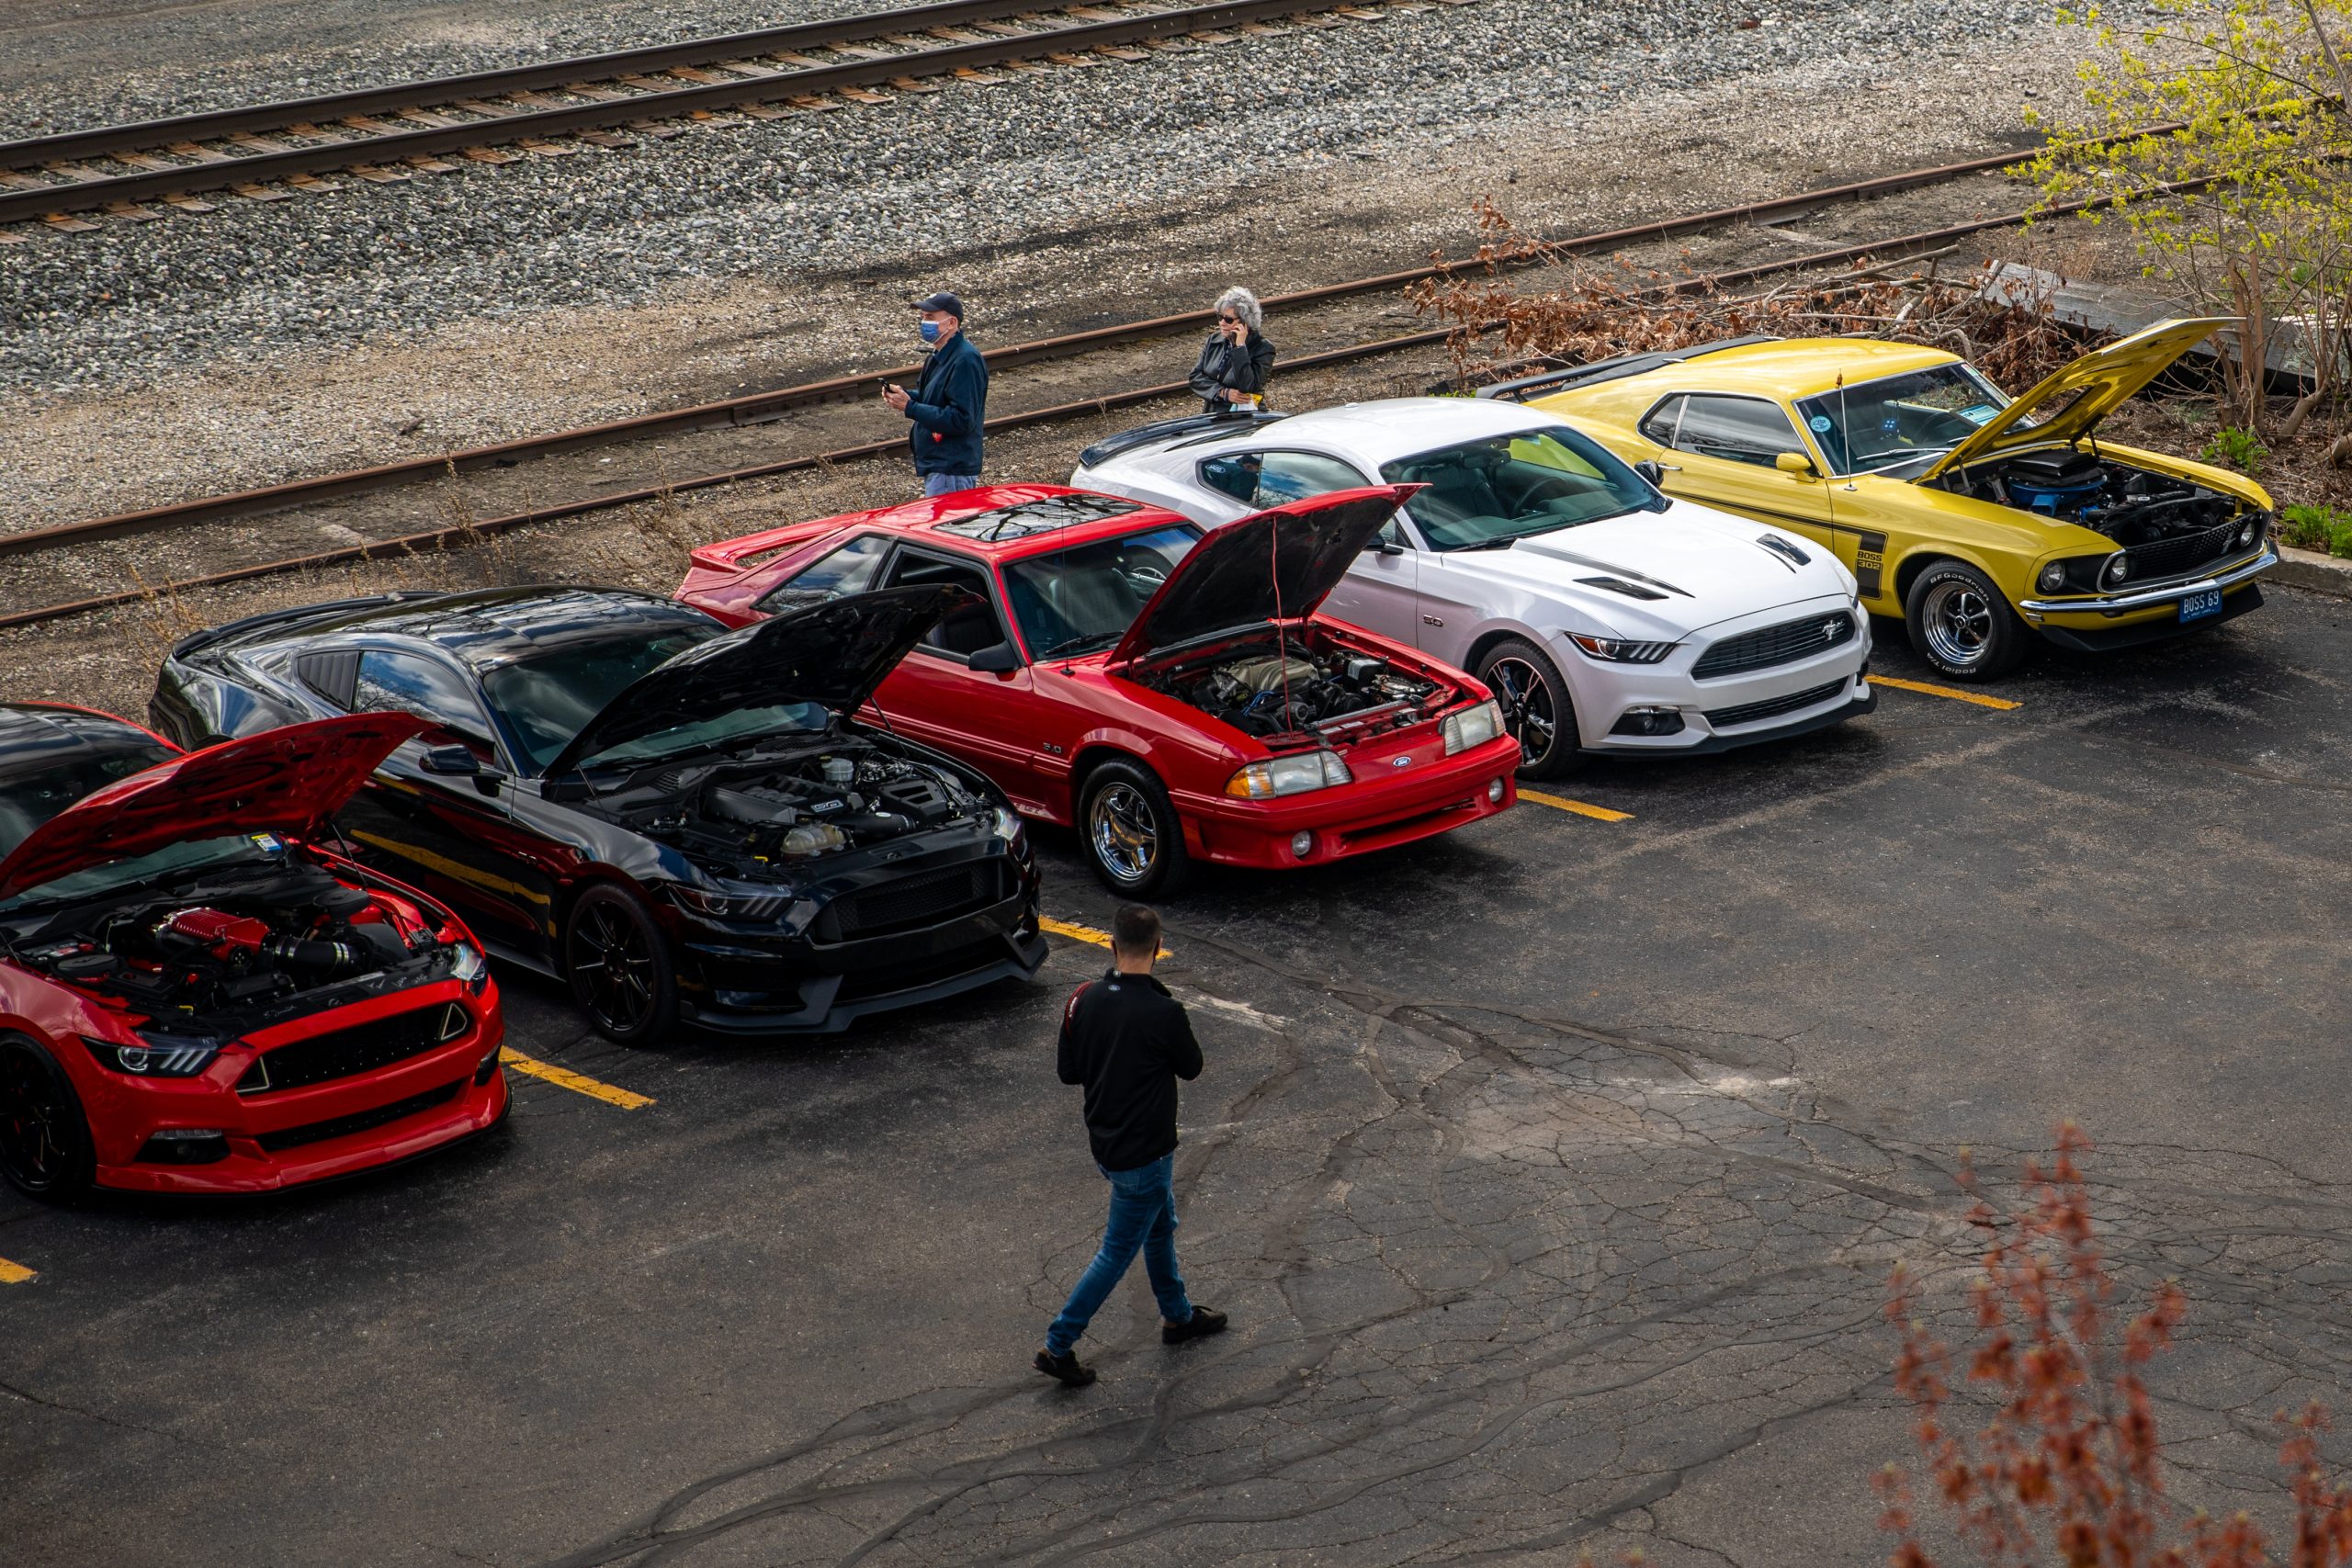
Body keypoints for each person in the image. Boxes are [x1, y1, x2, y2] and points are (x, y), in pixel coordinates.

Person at [1035, 903, 1227, 1388]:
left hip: (1107, 1142)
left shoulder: (1082, 999)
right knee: (1117, 1251)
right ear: (1158, 949)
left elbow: (1068, 1072)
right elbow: (1192, 1067)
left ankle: (1179, 1318)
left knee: (1160, 1228)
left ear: (1113, 945)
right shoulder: (1164, 1011)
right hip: (1145, 1153)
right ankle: (1059, 1345)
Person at [882, 290, 987, 497]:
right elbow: (934, 399)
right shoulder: (938, 356)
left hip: (951, 468)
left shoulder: (965, 360)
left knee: (950, 525)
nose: (924, 323)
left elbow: (961, 419)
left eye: (930, 317)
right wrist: (907, 396)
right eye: (922, 317)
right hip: (940, 465)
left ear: (951, 323)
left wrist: (910, 407)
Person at [1188, 286, 1275, 415]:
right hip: (1213, 416)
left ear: (1245, 322)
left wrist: (1240, 348)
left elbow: (1247, 386)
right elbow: (1195, 378)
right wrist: (1222, 392)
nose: (1222, 323)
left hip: (1246, 418)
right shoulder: (1213, 340)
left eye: (1228, 319)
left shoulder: (1263, 348)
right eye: (1219, 317)